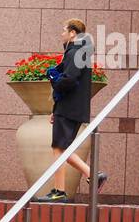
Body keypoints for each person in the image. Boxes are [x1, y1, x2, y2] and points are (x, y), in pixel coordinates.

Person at [36, 19, 108, 203]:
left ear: (73, 33)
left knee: (59, 148)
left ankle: (60, 191)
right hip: (70, 107)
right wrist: (56, 108)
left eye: (64, 30)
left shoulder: (75, 52)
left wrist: (53, 77)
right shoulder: (80, 52)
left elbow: (68, 81)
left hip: (69, 108)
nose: (61, 34)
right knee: (62, 147)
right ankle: (92, 175)